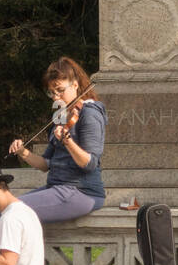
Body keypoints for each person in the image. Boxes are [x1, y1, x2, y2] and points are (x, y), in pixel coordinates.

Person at [8, 57, 106, 221]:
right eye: (51, 93)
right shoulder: (61, 116)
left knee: (10, 214)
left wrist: (68, 142)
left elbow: (89, 163)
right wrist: (23, 152)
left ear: (75, 85)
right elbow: (46, 164)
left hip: (82, 191)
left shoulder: (90, 114)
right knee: (6, 210)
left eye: (60, 90)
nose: (56, 97)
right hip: (57, 187)